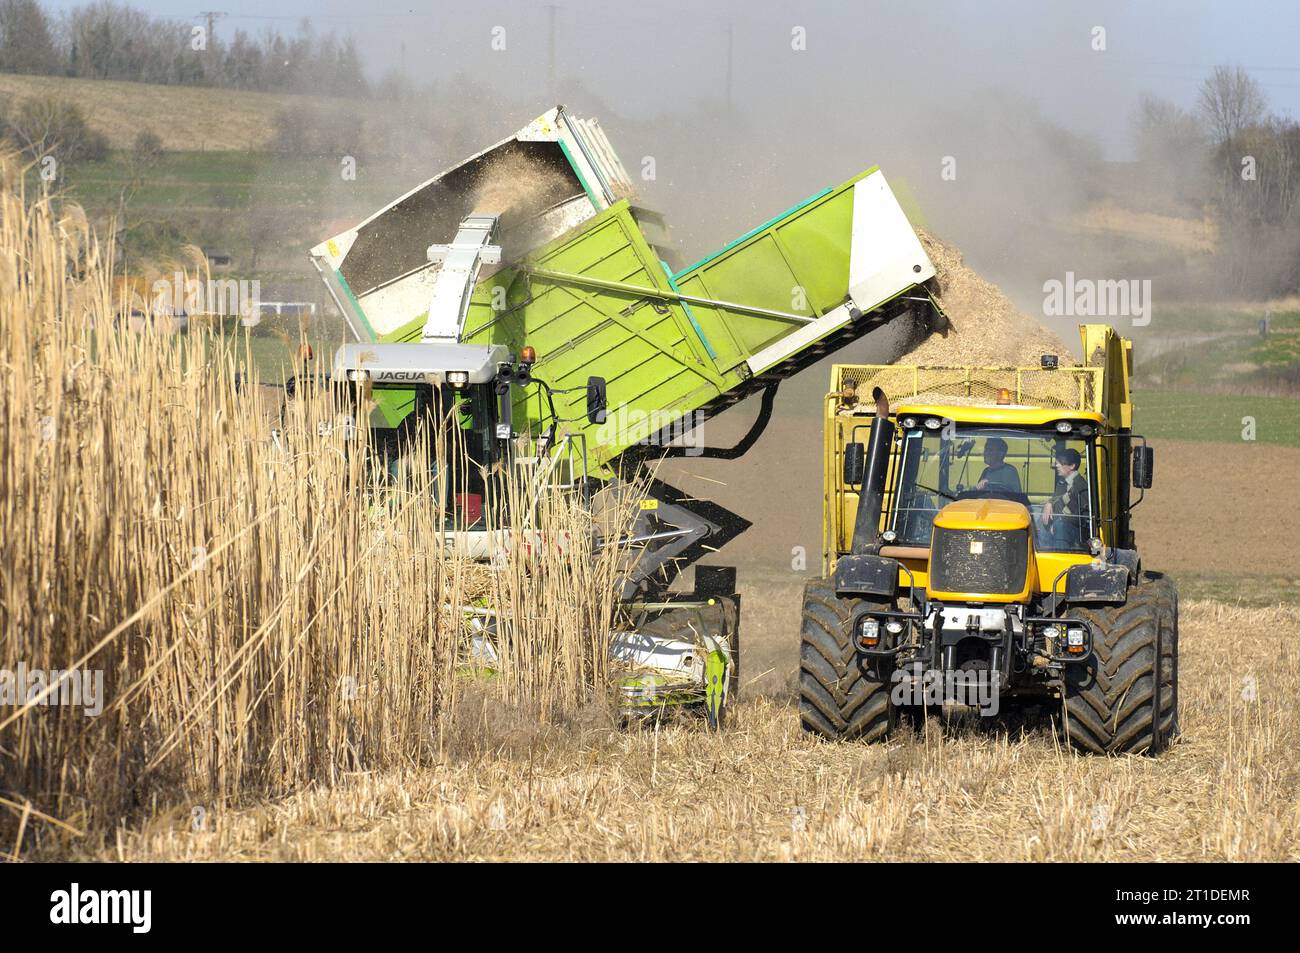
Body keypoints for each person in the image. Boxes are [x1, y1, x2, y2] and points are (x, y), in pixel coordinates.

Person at [1040, 447, 1087, 546]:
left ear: (1072, 466)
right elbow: (1056, 499)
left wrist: (1061, 519)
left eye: (1061, 463)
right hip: (1057, 530)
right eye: (1057, 462)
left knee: (1061, 525)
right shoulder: (1061, 483)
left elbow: (1085, 517)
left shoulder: (1081, 486)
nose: (1056, 465)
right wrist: (1049, 503)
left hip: (1072, 534)